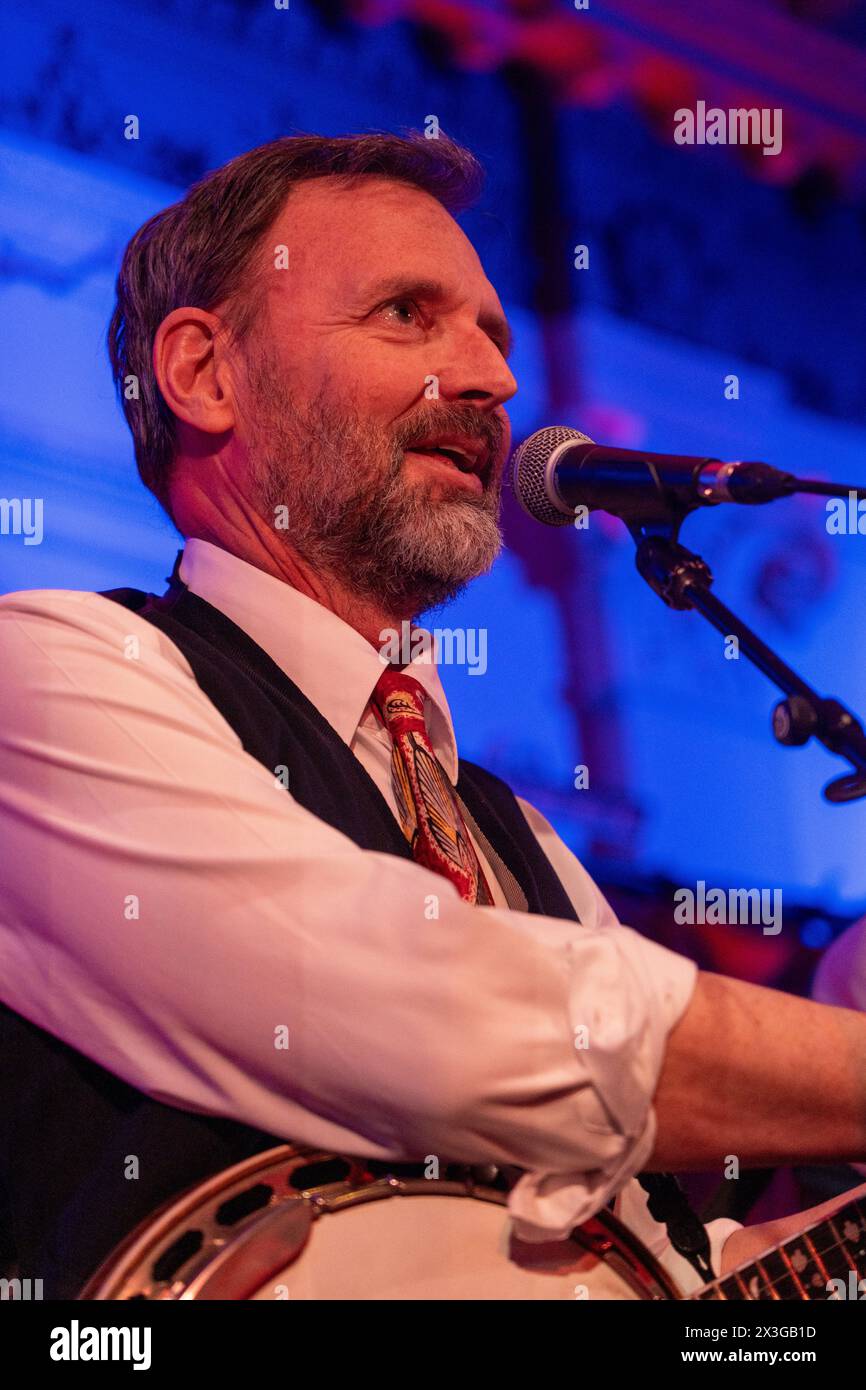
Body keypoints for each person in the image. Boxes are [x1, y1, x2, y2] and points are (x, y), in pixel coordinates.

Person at [1, 132, 864, 1300]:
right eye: (407, 314)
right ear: (205, 374)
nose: (491, 380)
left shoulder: (520, 840)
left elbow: (649, 1266)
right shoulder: (50, 670)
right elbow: (401, 997)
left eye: (496, 336)